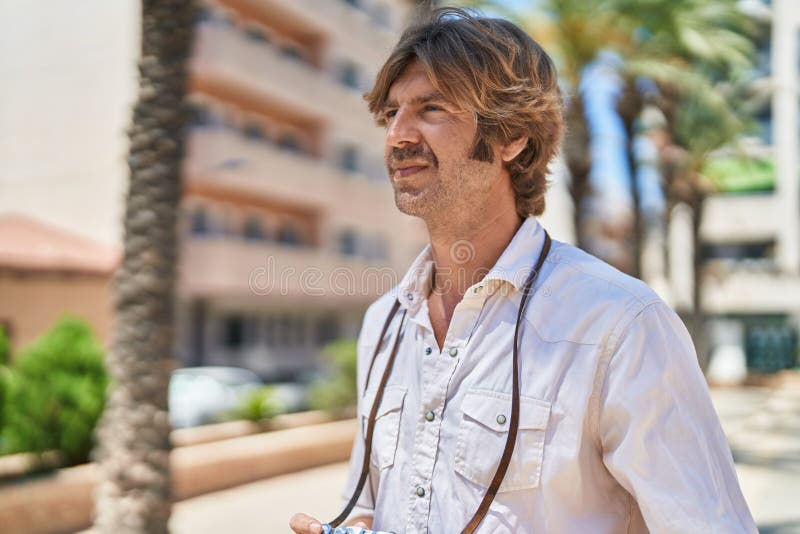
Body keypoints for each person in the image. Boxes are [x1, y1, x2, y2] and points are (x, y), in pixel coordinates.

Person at [291, 7, 756, 534]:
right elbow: (374, 511)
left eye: (432, 108)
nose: (397, 134)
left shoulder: (619, 325)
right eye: (392, 112)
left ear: (513, 136)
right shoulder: (384, 324)